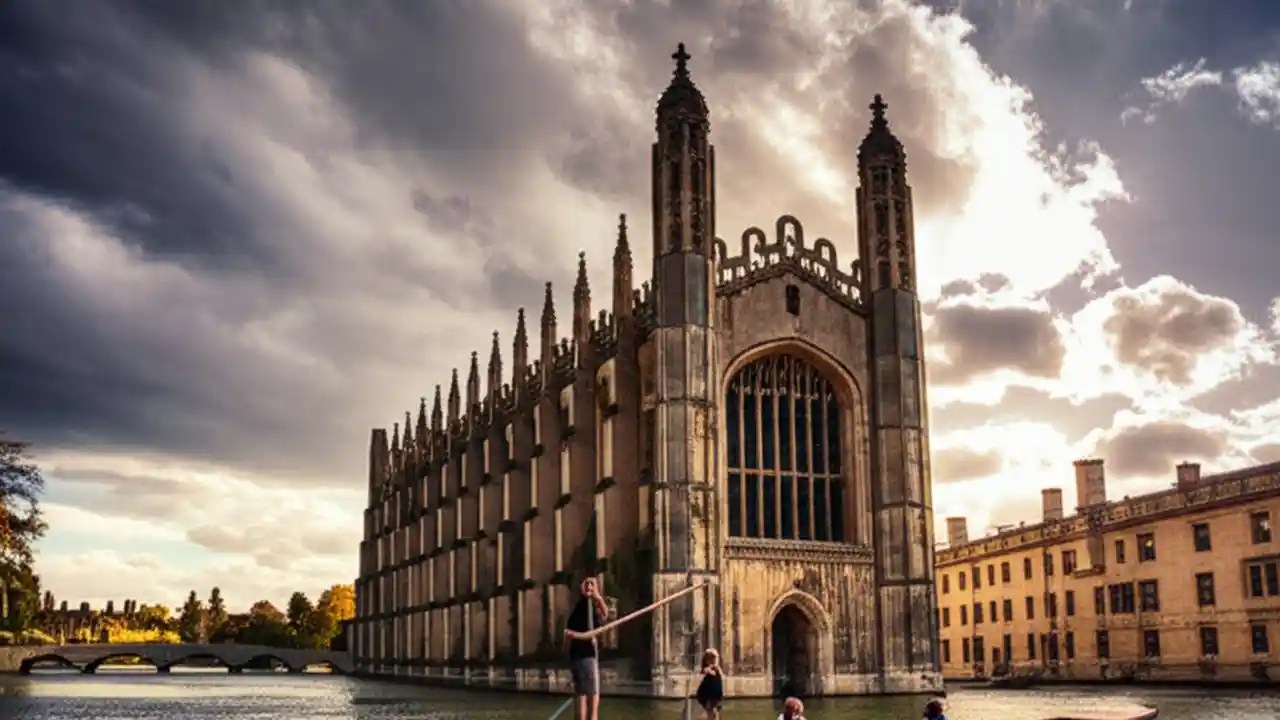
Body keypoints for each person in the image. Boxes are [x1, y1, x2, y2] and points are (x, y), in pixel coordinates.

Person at [563, 577, 608, 720]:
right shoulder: (584, 605)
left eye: (592, 584)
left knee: (582, 693)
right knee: (592, 694)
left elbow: (605, 615)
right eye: (587, 584)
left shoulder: (588, 606)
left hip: (579, 656)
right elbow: (606, 615)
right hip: (585, 655)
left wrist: (598, 598)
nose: (589, 587)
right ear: (582, 588)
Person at [694, 648, 724, 718]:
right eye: (714, 657)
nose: (716, 659)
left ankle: (710, 714)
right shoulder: (709, 669)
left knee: (713, 711)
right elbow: (706, 671)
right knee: (711, 711)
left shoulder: (717, 669)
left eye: (716, 657)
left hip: (715, 695)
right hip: (709, 695)